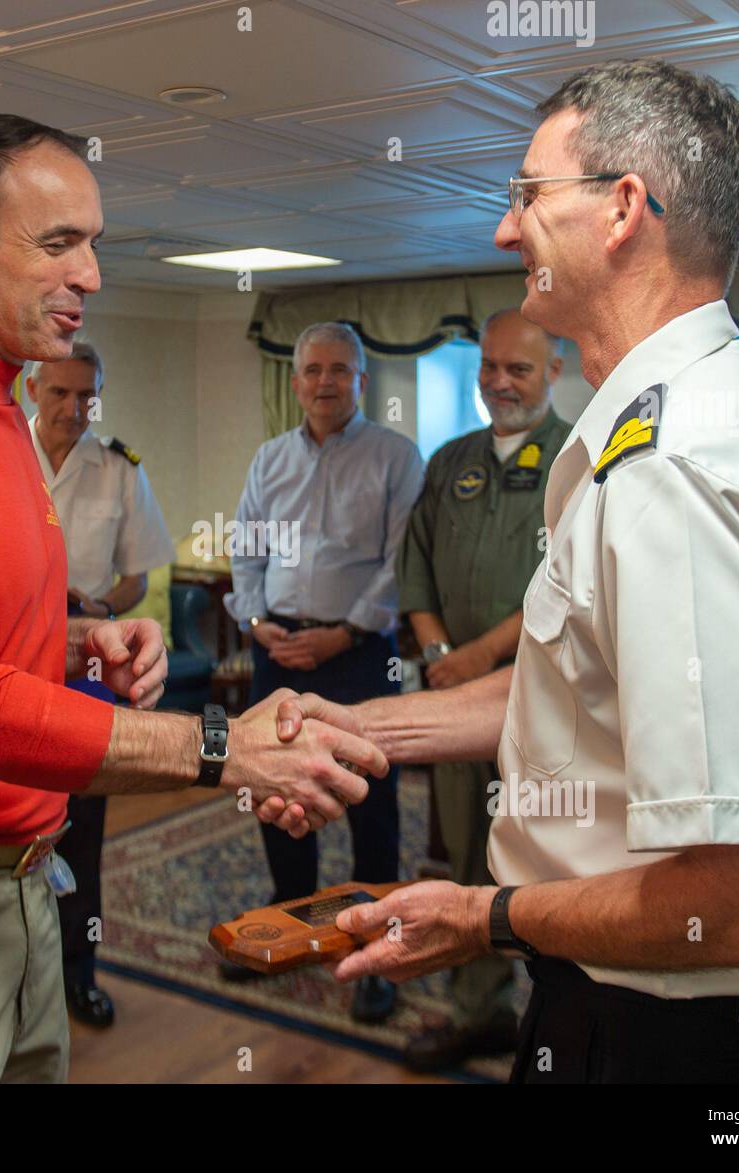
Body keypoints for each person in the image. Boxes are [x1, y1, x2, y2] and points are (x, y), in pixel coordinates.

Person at [0, 114, 384, 1084]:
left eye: (92, 244)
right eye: (59, 244)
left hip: (13, 890)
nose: (91, 275)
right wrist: (216, 746)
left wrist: (77, 642)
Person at [274, 59, 739, 1084]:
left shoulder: (677, 470)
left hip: (673, 1036)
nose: (505, 231)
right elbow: (583, 684)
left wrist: (485, 916)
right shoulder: (653, 428)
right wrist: (358, 731)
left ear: (624, 208)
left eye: (526, 196)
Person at [225, 320, 425, 1025]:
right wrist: (254, 623)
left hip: (360, 654)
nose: (324, 382)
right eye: (312, 370)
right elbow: (244, 552)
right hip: (276, 651)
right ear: (296, 379)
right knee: (278, 795)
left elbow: (403, 563)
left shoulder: (397, 457)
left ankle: (381, 947)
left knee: (370, 802)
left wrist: (342, 634)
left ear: (362, 381)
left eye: (340, 370)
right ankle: (293, 927)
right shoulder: (270, 458)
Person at [395, 307, 570, 1071]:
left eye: (519, 369)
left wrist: (479, 657)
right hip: (455, 697)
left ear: (555, 372)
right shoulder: (451, 459)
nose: (499, 382)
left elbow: (562, 586)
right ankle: (480, 1008)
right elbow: (417, 563)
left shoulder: (582, 461)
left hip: (545, 707)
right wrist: (439, 650)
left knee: (550, 858)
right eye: (489, 367)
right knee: (466, 851)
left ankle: (563, 1009)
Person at [25, 340, 176, 1027]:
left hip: (85, 663)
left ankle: (78, 973)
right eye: (59, 392)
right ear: (32, 388)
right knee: (7, 820)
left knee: (80, 828)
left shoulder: (117, 469)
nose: (73, 407)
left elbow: (138, 574)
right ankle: (13, 980)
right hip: (9, 661)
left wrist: (101, 611)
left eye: (86, 394)